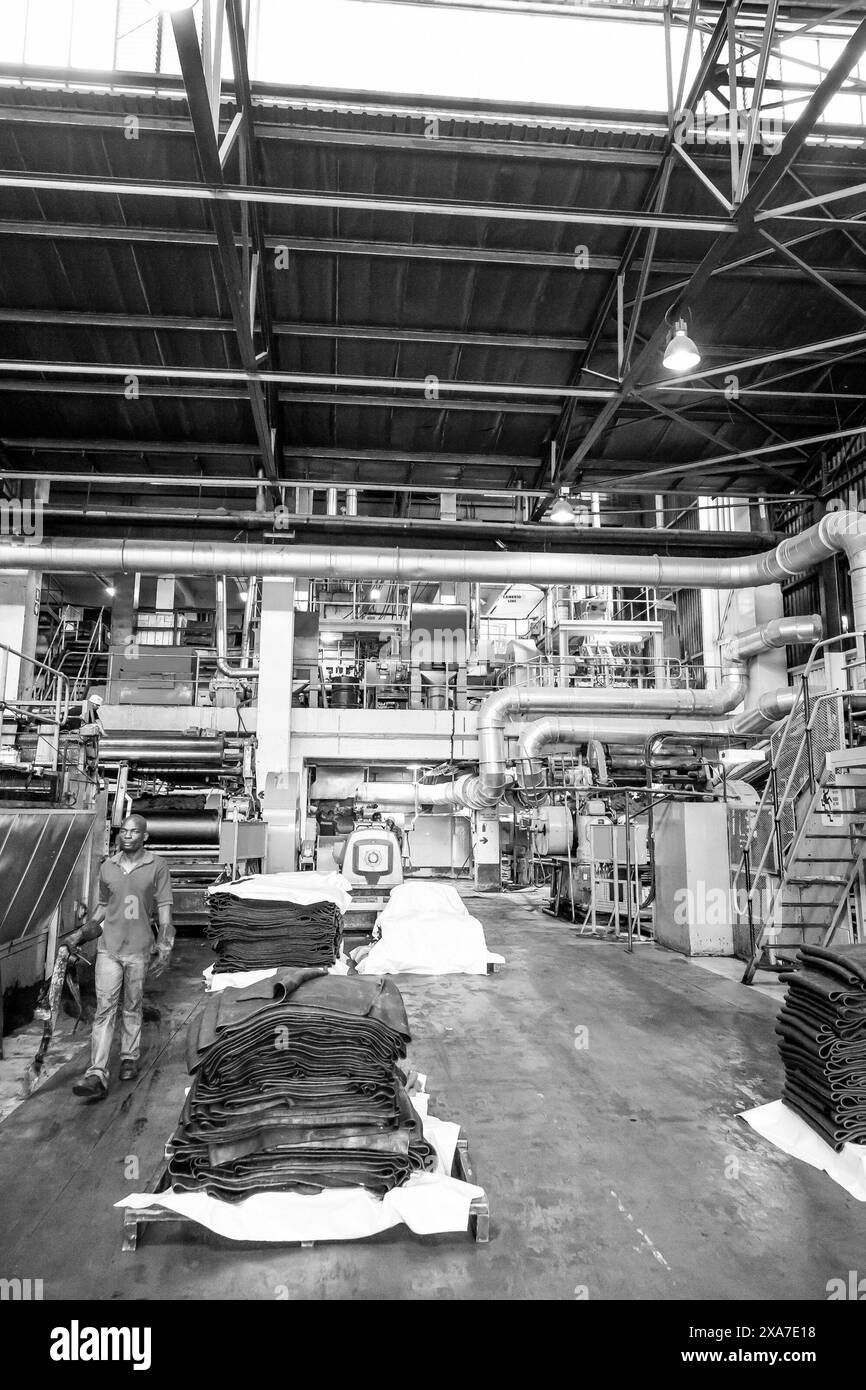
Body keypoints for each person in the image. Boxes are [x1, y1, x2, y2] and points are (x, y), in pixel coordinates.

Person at [68, 814, 174, 1101]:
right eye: (124, 831)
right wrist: (81, 934)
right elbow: (103, 909)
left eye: (134, 831)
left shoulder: (157, 866)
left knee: (132, 1004)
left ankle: (129, 1056)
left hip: (139, 948)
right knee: (105, 1009)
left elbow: (164, 910)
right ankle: (96, 1072)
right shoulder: (107, 867)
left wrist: (165, 946)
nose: (127, 835)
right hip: (109, 949)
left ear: (145, 837)